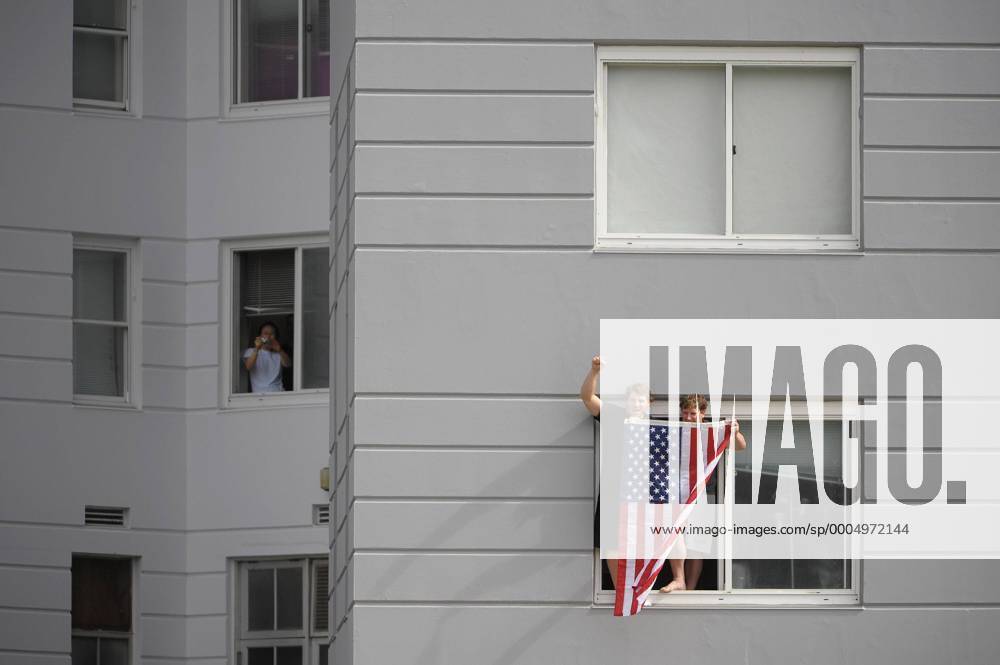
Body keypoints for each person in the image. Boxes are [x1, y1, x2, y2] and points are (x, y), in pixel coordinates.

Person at [660, 393, 747, 592]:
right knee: (674, 535)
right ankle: (678, 580)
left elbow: (741, 446)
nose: (688, 418)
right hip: (676, 494)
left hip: (702, 495)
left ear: (702, 413)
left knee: (696, 546)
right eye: (685, 414)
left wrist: (734, 432)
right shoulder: (676, 431)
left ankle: (690, 590)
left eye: (692, 413)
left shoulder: (712, 432)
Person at [242, 321, 291, 393]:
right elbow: (248, 366)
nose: (268, 336)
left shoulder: (278, 353)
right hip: (260, 396)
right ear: (260, 336)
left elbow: (288, 364)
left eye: (272, 334)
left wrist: (280, 350)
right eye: (265, 333)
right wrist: (257, 348)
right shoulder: (251, 351)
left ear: (276, 337)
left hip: (279, 393)